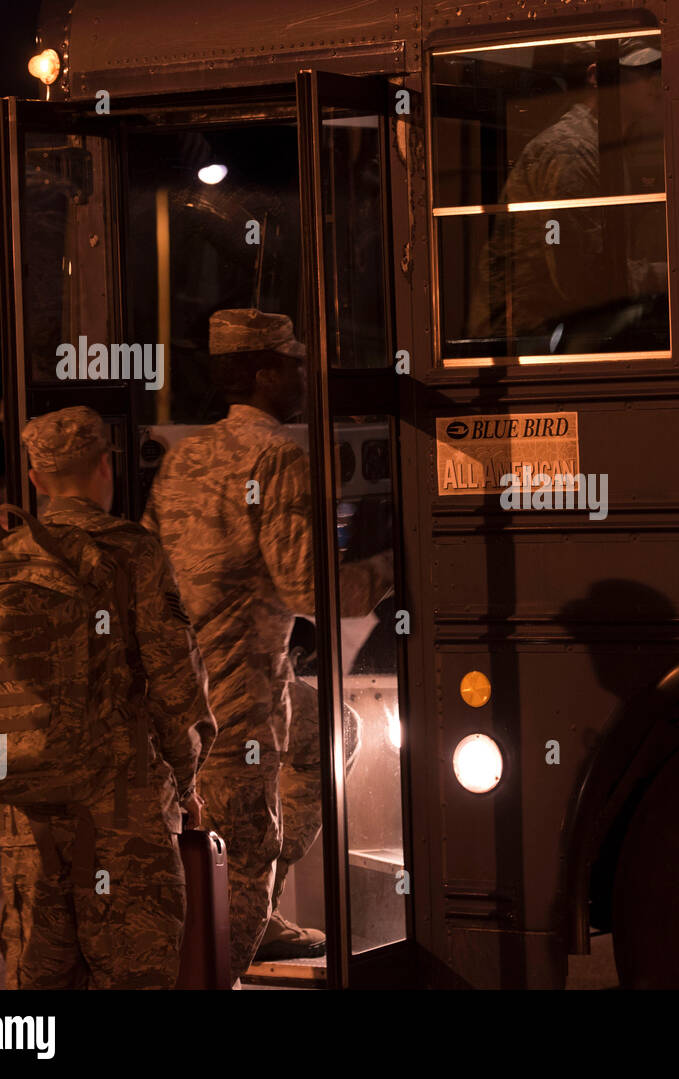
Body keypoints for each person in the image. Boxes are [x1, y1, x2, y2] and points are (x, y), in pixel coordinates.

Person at [141, 308, 392, 980]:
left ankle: (263, 913)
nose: (304, 376)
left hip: (184, 688)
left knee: (329, 730)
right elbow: (306, 584)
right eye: (293, 365)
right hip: (243, 697)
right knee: (247, 845)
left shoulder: (183, 460)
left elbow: (143, 569)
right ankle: (229, 955)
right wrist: (395, 569)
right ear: (262, 372)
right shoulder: (277, 455)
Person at [0, 406, 215, 989]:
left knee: (40, 989)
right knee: (134, 972)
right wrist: (189, 786)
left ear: (37, 479)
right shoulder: (132, 552)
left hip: (28, 821)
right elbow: (174, 685)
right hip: (123, 817)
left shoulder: (3, 559)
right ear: (102, 469)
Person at [466, 38, 665, 351]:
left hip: (549, 330)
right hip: (529, 339)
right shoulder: (571, 151)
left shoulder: (602, 146)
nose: (656, 82)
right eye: (642, 72)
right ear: (596, 77)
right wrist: (659, 275)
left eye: (658, 71)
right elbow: (576, 274)